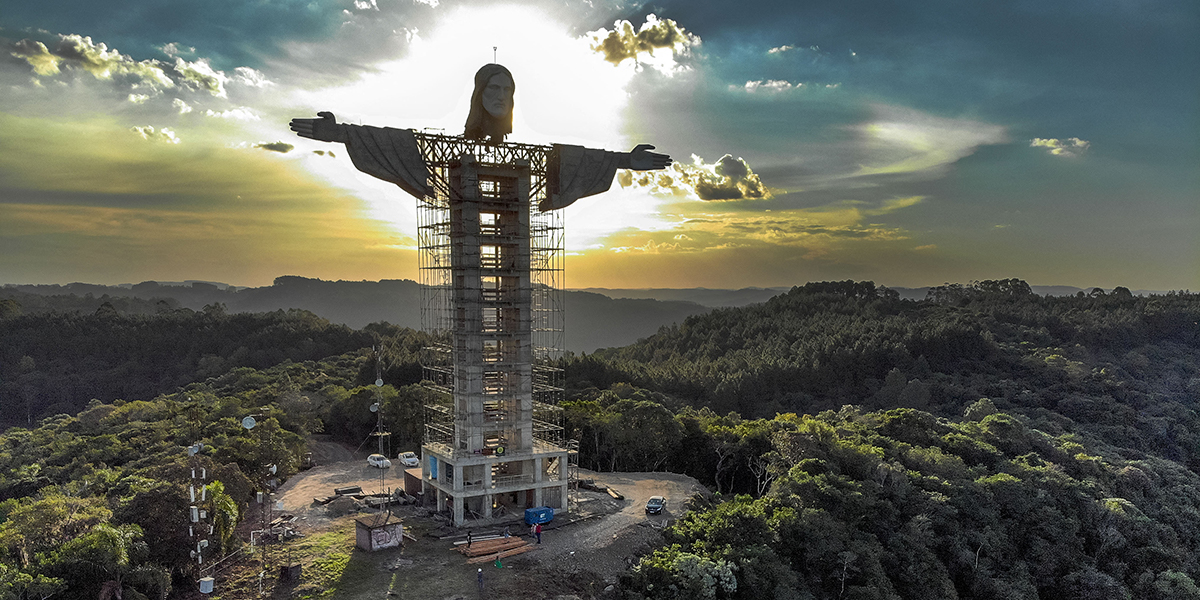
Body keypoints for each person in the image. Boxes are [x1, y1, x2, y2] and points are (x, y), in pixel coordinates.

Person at [288, 64, 671, 212]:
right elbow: (396, 143)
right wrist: (339, 133)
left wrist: (624, 160)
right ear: (478, 94)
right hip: (464, 209)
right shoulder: (446, 150)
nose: (501, 95)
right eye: (492, 87)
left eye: (508, 88)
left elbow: (575, 159)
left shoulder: (538, 157)